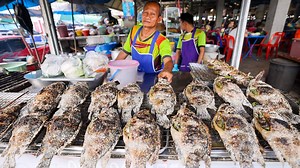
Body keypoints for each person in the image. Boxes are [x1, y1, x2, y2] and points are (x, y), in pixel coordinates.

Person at [116, 1, 173, 82]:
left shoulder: (162, 40)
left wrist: (167, 70)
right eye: (145, 13)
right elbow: (123, 53)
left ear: (159, 19)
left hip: (155, 80)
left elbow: (168, 61)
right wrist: (113, 67)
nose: (147, 17)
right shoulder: (134, 31)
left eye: (152, 14)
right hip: (135, 78)